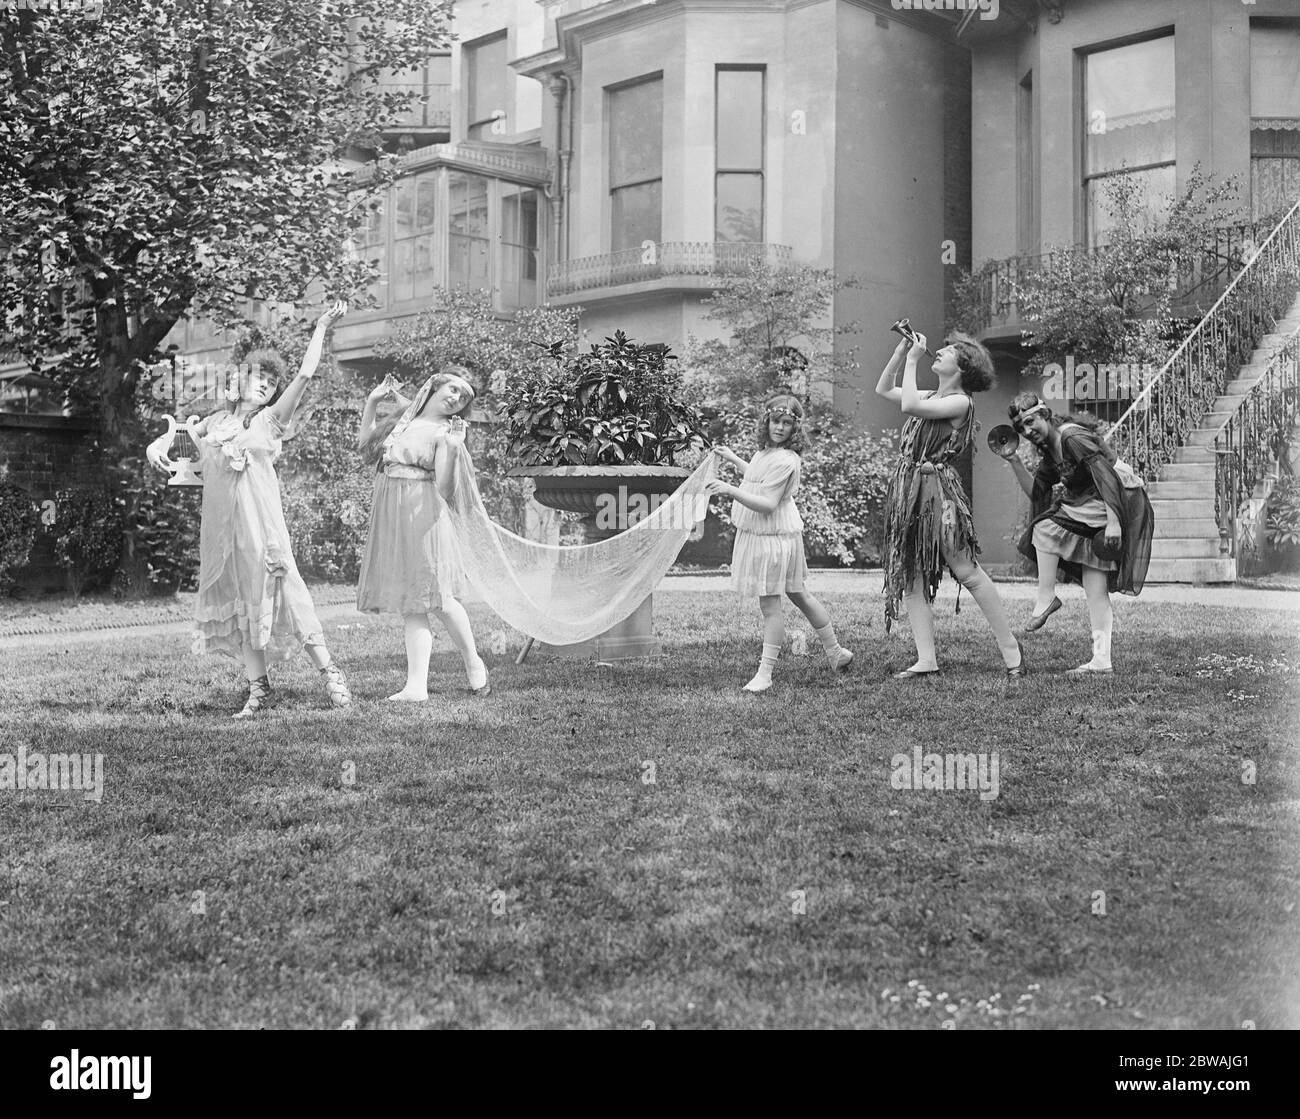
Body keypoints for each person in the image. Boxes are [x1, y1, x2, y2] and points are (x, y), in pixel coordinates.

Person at [146, 302, 353, 718]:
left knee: (286, 595)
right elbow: (176, 439)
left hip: (263, 530)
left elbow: (305, 375)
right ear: (238, 379)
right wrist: (154, 447)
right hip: (225, 533)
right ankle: (258, 690)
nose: (264, 385)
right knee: (243, 603)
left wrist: (322, 326)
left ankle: (330, 672)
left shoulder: (271, 421)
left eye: (270, 383)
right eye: (257, 377)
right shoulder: (215, 421)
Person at [876, 331, 1025, 678]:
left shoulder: (960, 402)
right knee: (911, 573)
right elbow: (884, 390)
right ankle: (926, 659)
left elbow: (910, 405)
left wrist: (914, 360)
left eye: (948, 351)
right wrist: (900, 353)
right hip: (910, 489)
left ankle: (1010, 647)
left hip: (936, 492)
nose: (938, 352)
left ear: (962, 367)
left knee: (966, 570)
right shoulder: (931, 394)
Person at [356, 366, 491, 701]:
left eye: (463, 398)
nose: (456, 399)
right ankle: (416, 686)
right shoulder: (406, 418)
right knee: (412, 602)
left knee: (440, 599)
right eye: (454, 389)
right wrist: (372, 401)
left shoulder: (447, 432)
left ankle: (473, 662)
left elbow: (445, 487)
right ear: (435, 385)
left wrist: (453, 446)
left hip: (423, 511)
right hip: (391, 508)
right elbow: (366, 444)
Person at [706, 395, 854, 693]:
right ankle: (836, 652)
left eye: (787, 423)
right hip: (769, 533)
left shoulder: (787, 459)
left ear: (795, 428)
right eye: (776, 421)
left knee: (771, 604)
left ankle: (765, 673)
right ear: (767, 421)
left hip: (773, 537)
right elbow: (758, 478)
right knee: (798, 593)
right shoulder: (767, 452)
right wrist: (733, 458)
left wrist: (728, 489)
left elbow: (768, 503)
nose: (780, 427)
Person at [1003, 392, 1154, 674]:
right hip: (1095, 502)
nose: (1027, 431)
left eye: (1030, 421)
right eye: (1020, 428)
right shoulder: (1050, 451)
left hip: (1120, 497)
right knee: (1094, 584)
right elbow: (1038, 492)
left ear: (1044, 415)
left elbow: (1107, 477)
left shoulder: (1071, 438)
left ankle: (1046, 597)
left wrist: (1114, 522)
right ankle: (1101, 660)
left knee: (1045, 527)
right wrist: (1013, 460)